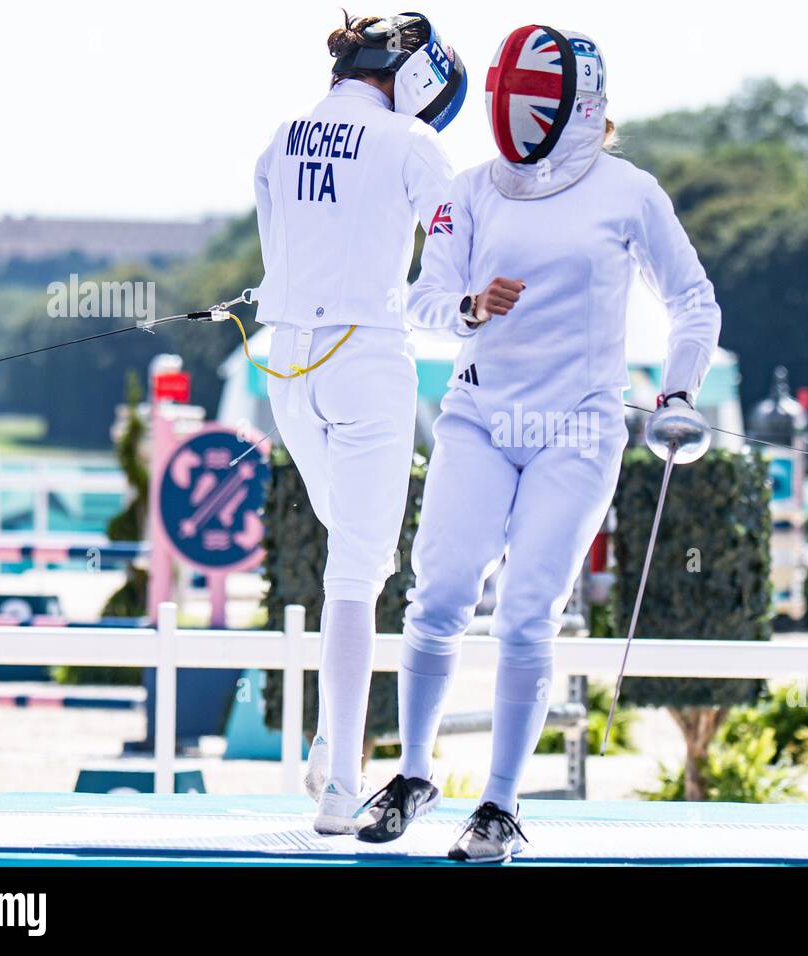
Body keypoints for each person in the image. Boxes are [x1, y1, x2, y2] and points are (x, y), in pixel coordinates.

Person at [349, 24, 722, 862]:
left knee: (526, 617)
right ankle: (411, 776)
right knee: (438, 597)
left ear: (577, 107)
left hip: (578, 429)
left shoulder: (630, 192)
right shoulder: (471, 190)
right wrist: (474, 308)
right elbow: (426, 300)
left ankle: (501, 806)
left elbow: (693, 301)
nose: (515, 118)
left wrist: (678, 390)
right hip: (481, 417)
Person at [251, 11, 466, 834]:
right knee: (358, 573)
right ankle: (341, 784)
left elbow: (280, 247)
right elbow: (456, 248)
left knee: (349, 540)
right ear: (412, 75)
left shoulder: (281, 136)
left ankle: (328, 745)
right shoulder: (410, 144)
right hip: (368, 356)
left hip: (285, 365)